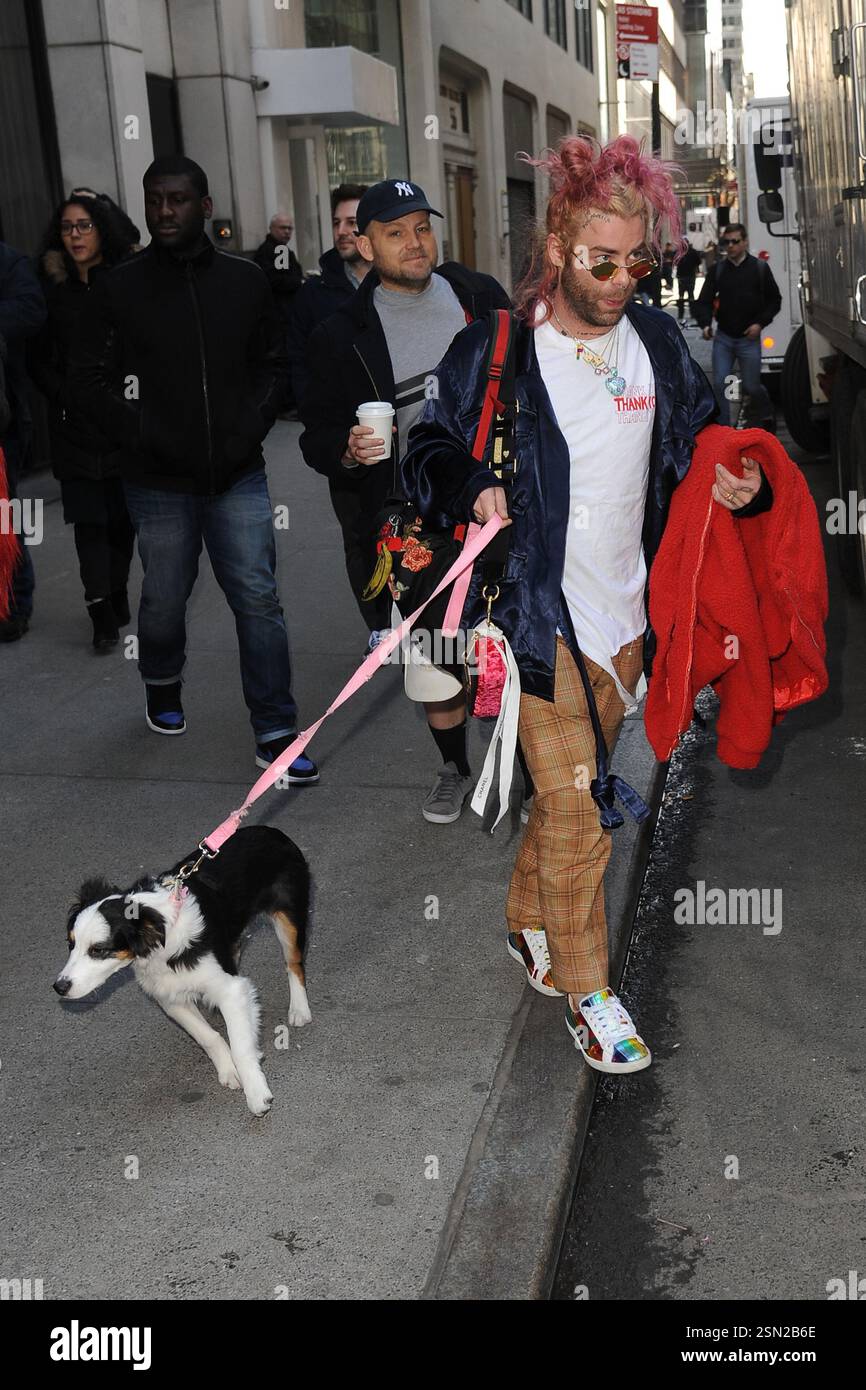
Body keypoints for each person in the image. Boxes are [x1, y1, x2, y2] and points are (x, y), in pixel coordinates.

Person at [402, 135, 772, 1072]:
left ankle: (527, 921)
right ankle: (591, 994)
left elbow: (694, 443)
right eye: (600, 260)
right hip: (536, 618)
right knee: (578, 810)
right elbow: (429, 447)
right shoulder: (500, 349)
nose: (619, 280)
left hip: (629, 621)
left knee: (569, 796)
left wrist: (738, 482)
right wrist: (468, 489)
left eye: (636, 260)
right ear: (558, 246)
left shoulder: (652, 338)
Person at [69, 155, 316, 782]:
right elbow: (88, 379)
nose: (164, 212)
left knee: (258, 599)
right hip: (155, 482)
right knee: (163, 600)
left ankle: (276, 731)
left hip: (238, 473)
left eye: (177, 200)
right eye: (154, 200)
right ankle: (161, 677)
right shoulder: (120, 287)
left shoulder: (245, 281)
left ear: (204, 208)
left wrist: (249, 425)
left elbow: (276, 363)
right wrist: (143, 433)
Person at [298, 178, 509, 823]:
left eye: (422, 227)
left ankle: (524, 765)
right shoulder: (341, 332)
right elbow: (315, 431)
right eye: (395, 232)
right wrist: (347, 450)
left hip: (496, 498)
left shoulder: (478, 297)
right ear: (363, 244)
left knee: (509, 643)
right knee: (437, 664)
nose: (415, 243)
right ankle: (454, 767)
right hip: (410, 521)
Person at [28, 191, 139, 651]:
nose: (75, 235)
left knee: (121, 521)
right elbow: (37, 358)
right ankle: (99, 610)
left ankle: (114, 591)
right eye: (68, 227)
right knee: (89, 523)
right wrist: (64, 396)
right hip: (73, 427)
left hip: (119, 424)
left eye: (85, 225)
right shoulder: (53, 294)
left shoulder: (125, 286)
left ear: (103, 231)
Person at [0, 241, 46, 641]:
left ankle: (14, 603)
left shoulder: (8, 261)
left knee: (6, 514)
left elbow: (31, 310)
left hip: (4, 421)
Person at [287, 183, 370, 402]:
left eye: (351, 222)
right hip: (334, 428)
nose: (341, 231)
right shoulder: (313, 293)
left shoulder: (393, 283)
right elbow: (297, 360)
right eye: (336, 223)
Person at [695, 223, 782, 426]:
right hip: (724, 338)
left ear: (745, 242)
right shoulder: (718, 270)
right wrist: (706, 325)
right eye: (727, 242)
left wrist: (759, 324)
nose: (731, 246)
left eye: (735, 241)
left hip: (748, 339)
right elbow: (703, 300)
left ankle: (766, 412)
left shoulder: (759, 268)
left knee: (752, 386)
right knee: (721, 383)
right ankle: (726, 428)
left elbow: (775, 300)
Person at [675, 242, 702, 324]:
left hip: (682, 276)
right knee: (691, 295)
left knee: (681, 296)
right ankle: (692, 313)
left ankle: (680, 314)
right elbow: (698, 262)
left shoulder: (679, 252)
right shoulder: (693, 252)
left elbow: (675, 262)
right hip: (690, 276)